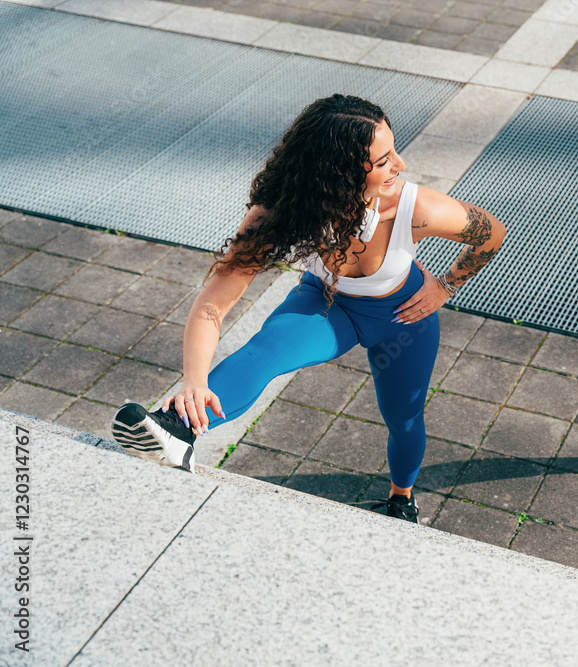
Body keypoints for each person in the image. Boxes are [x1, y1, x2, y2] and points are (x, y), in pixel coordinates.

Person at [112, 94, 505, 523]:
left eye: (393, 152)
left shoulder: (417, 209)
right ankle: (177, 430)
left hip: (402, 318)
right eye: (383, 160)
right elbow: (212, 305)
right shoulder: (283, 211)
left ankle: (402, 498)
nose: (400, 165)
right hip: (328, 302)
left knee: (404, 418)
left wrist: (446, 285)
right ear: (337, 174)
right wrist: (193, 380)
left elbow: (491, 233)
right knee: (268, 350)